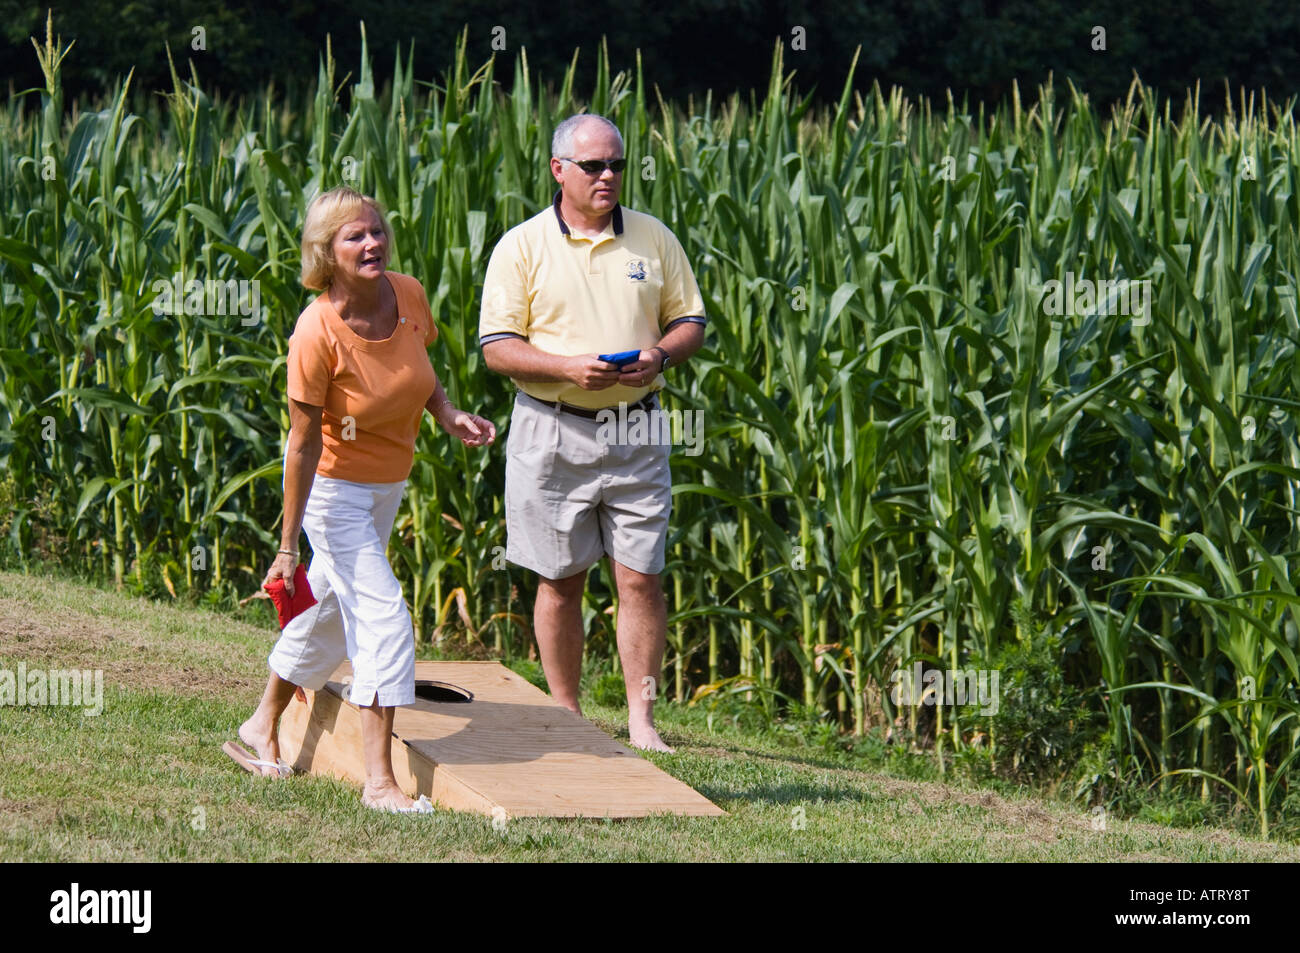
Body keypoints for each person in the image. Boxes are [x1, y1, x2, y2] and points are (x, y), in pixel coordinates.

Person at [232, 186, 495, 812]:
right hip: (334, 494)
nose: (371, 243)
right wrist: (288, 545)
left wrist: (449, 415)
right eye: (355, 236)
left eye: (376, 231)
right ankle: (380, 783)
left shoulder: (407, 295)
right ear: (327, 252)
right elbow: (300, 445)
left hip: (386, 489)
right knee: (382, 616)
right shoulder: (316, 331)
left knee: (328, 609)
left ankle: (259, 722)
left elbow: (419, 374)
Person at [479, 114, 706, 752]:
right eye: (593, 166)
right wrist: (564, 367)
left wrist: (659, 356)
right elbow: (497, 348)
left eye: (616, 165)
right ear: (558, 170)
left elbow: (690, 320)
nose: (608, 176)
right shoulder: (520, 246)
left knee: (640, 576)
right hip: (551, 429)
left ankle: (642, 722)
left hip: (637, 427)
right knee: (561, 578)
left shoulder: (653, 238)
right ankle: (567, 714)